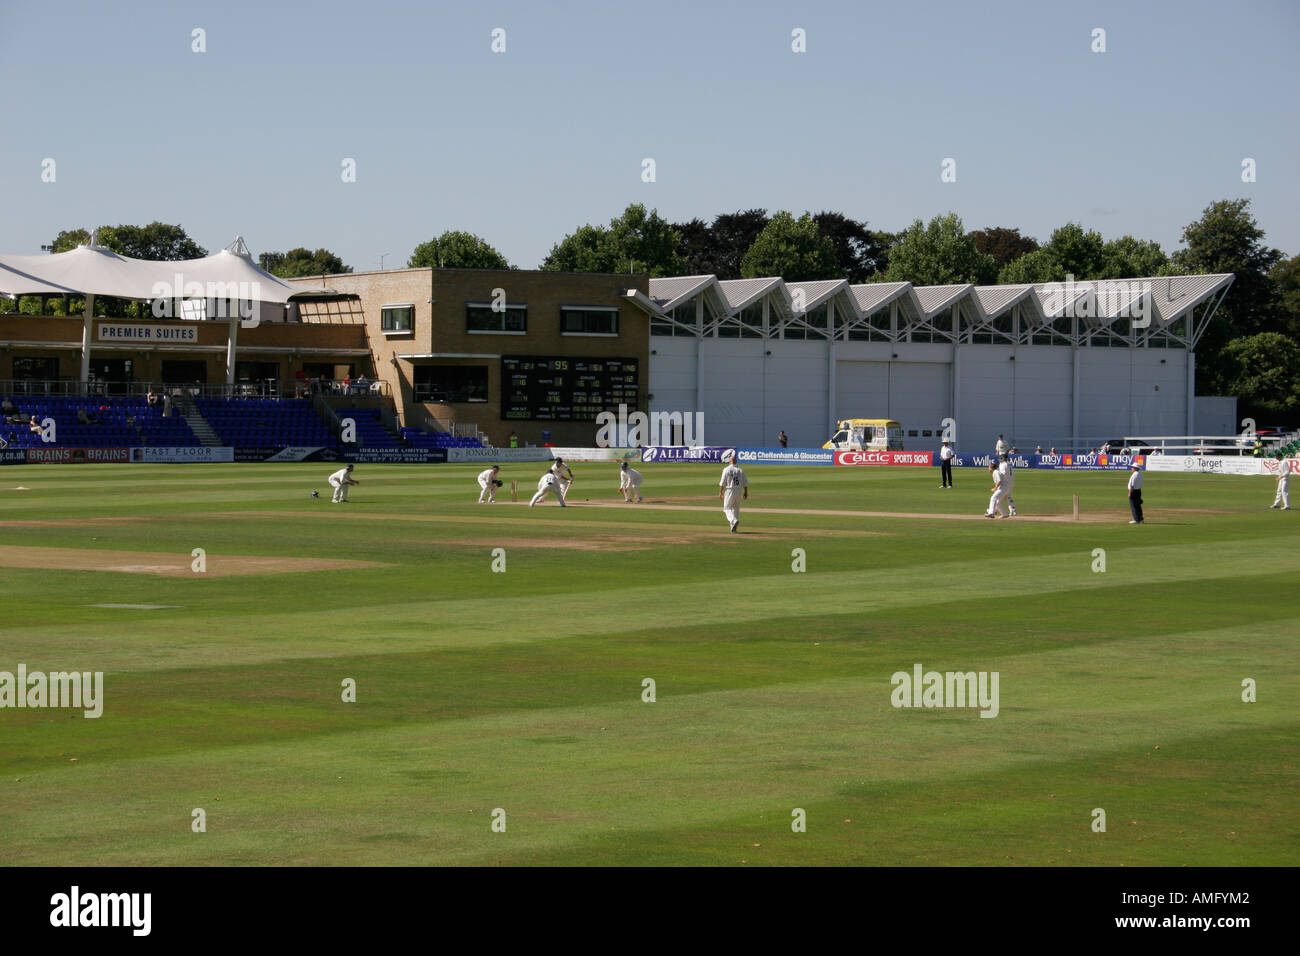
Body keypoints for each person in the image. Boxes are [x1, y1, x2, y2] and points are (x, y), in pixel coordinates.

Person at [718, 451, 749, 533]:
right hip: (738, 491)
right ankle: (733, 529)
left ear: (729, 461)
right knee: (736, 509)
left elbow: (722, 482)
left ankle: (733, 520)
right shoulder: (740, 470)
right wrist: (745, 492)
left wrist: (720, 492)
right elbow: (745, 483)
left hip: (730, 490)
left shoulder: (726, 469)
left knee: (727, 508)